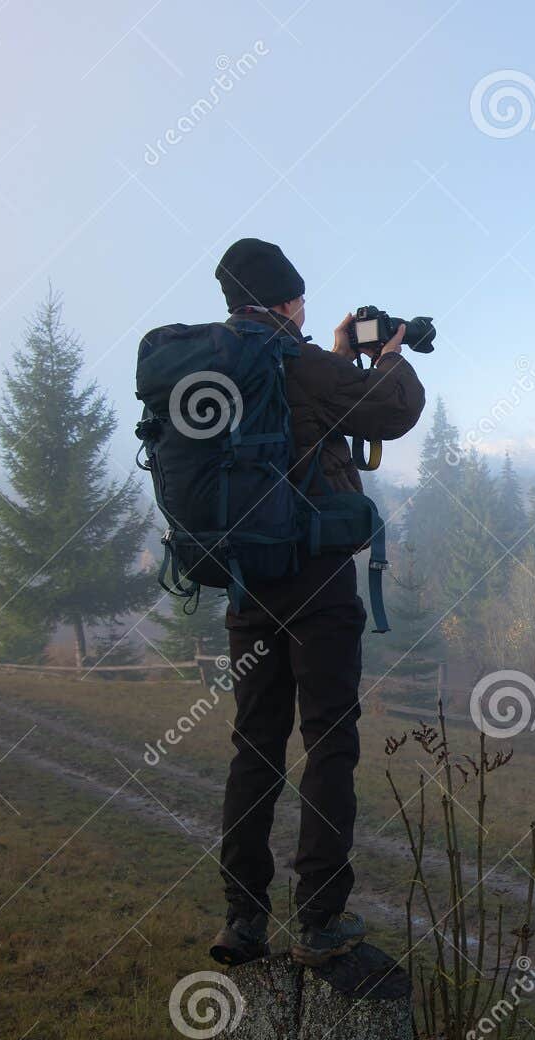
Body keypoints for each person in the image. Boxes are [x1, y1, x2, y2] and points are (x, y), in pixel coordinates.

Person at [206, 238, 425, 967]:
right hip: (317, 583)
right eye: (299, 296)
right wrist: (388, 354)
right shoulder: (299, 365)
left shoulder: (217, 364)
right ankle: (320, 918)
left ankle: (243, 919)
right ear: (288, 300)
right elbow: (392, 410)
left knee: (254, 748)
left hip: (246, 582)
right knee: (329, 740)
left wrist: (333, 353)